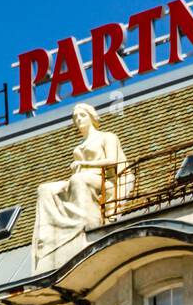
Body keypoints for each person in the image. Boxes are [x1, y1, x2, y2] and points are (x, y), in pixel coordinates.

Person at [33, 104, 132, 273]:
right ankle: (48, 237)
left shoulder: (107, 137)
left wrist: (84, 163)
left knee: (78, 180)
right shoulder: (78, 146)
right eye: (76, 117)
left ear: (91, 117)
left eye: (82, 115)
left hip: (104, 180)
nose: (78, 119)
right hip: (83, 180)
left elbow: (113, 161)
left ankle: (85, 225)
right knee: (44, 189)